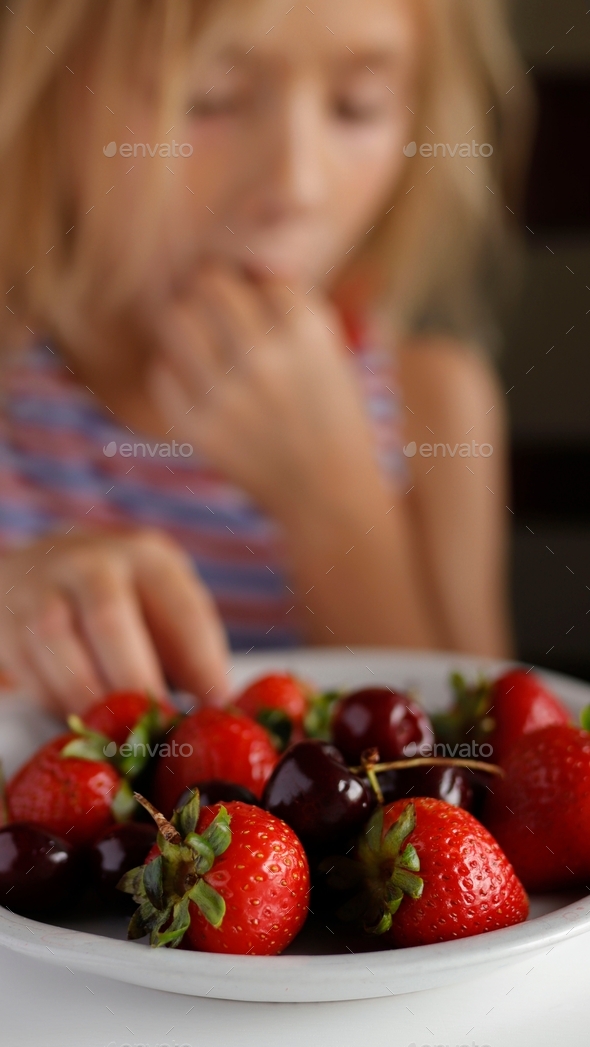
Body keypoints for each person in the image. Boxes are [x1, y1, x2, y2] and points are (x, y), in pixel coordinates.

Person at [0, 0, 529, 714]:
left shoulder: (433, 404)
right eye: (208, 98)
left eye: (355, 107)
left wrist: (334, 505)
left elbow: (478, 760)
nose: (295, 188)